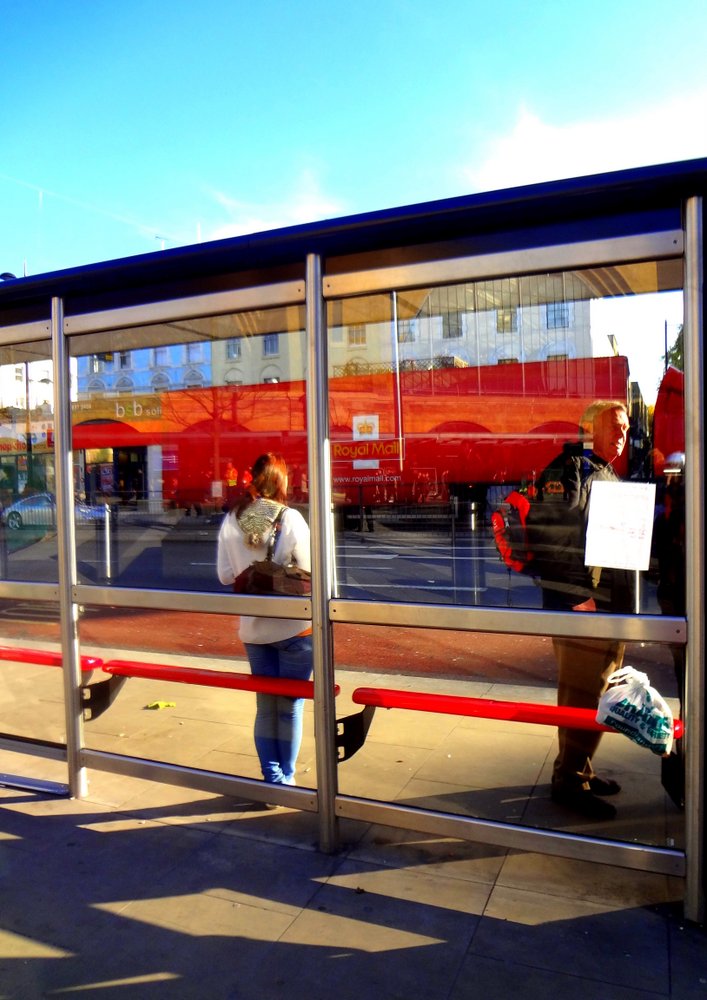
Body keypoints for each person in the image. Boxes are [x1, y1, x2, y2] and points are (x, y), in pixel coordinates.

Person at [527, 400, 633, 821]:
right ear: (589, 429)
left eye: (626, 428)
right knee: (581, 695)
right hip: (582, 608)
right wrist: (576, 597)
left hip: (606, 609)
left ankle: (579, 769)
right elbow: (551, 534)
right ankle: (569, 782)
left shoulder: (606, 472)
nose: (622, 434)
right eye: (614, 426)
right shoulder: (569, 467)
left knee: (596, 693)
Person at [216, 452, 312, 787]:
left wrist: (250, 565)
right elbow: (311, 572)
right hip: (295, 630)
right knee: (290, 708)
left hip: (254, 631)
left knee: (265, 709)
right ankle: (286, 779)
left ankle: (272, 778)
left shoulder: (232, 520)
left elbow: (225, 575)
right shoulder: (291, 519)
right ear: (281, 481)